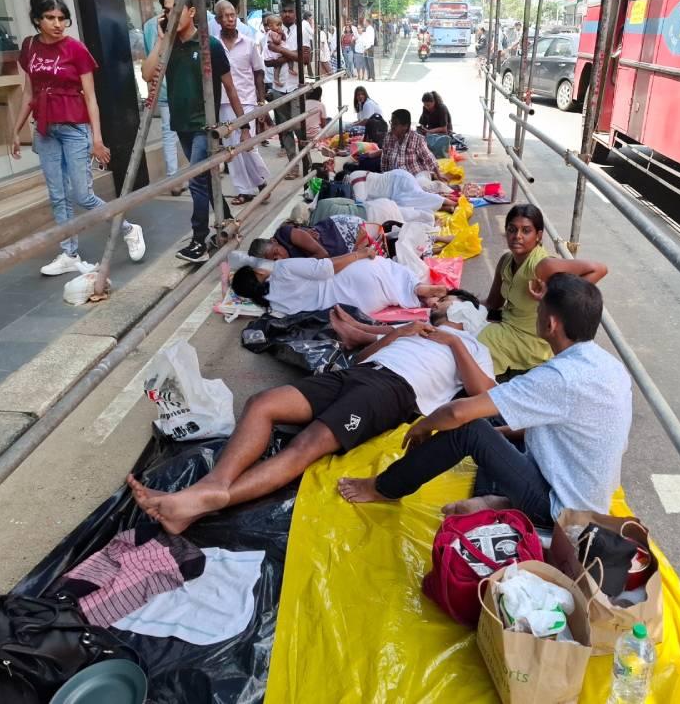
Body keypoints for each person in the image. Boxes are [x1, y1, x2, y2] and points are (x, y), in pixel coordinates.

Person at [127, 291, 495, 535]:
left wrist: (453, 342)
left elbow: (487, 395)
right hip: (357, 375)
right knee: (262, 403)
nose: (438, 302)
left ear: (465, 310)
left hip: (395, 391)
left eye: (447, 300)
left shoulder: (474, 347)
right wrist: (396, 335)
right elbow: (362, 358)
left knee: (308, 442)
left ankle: (207, 501)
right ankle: (210, 490)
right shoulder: (413, 328)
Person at [338, 274, 632, 528]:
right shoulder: (607, 365)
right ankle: (499, 503)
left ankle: (385, 488)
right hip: (587, 499)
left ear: (551, 324)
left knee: (468, 427)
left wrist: (424, 426)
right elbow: (559, 432)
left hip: (561, 512)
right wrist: (494, 434)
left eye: (538, 310)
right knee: (493, 420)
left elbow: (457, 413)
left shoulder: (561, 377)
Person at [12, 0, 145, 275]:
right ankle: (69, 253)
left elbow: (90, 97)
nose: (58, 24)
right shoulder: (30, 47)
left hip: (74, 127)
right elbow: (29, 91)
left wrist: (97, 139)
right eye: (50, 18)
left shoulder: (75, 49)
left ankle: (129, 228)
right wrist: (16, 129)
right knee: (57, 194)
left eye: (62, 18)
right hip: (45, 127)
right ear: (37, 19)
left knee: (83, 195)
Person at [142, 0, 249, 263]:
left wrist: (243, 125)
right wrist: (160, 40)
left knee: (197, 180)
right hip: (182, 124)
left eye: (177, 9)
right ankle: (228, 224)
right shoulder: (169, 46)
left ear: (191, 11)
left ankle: (199, 239)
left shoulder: (209, 45)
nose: (172, 15)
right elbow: (147, 73)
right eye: (167, 11)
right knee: (208, 178)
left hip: (206, 126)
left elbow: (229, 87)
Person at [479, 204, 608, 376]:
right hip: (506, 326)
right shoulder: (506, 261)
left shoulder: (543, 266)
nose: (517, 236)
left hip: (530, 342)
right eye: (512, 229)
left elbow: (598, 269)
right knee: (456, 322)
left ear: (538, 236)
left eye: (526, 231)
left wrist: (554, 299)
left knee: (471, 349)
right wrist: (459, 300)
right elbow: (493, 303)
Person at [230, 248, 446, 316]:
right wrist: (359, 253)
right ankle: (417, 288)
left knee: (388, 286)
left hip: (359, 307)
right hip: (355, 280)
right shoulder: (282, 269)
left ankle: (422, 300)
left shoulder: (275, 306)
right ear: (257, 273)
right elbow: (325, 268)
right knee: (387, 266)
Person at [214, 0, 270, 208]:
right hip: (223, 102)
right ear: (218, 19)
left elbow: (259, 72)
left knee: (247, 144)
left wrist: (261, 100)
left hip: (246, 100)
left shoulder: (249, 43)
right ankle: (244, 190)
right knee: (232, 149)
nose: (230, 19)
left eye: (232, 15)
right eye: (225, 16)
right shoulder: (213, 44)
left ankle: (263, 182)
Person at [261, 0, 311, 178]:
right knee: (284, 128)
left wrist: (279, 51)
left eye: (290, 11)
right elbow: (266, 61)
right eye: (284, 11)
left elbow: (305, 59)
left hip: (296, 85)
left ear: (297, 12)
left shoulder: (303, 28)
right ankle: (293, 164)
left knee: (298, 126)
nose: (287, 14)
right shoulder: (272, 31)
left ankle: (307, 160)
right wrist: (289, 56)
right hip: (278, 86)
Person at [142, 0, 183, 196]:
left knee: (170, 133)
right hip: (171, 88)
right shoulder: (159, 27)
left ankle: (173, 178)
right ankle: (176, 179)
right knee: (175, 132)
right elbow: (149, 60)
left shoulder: (149, 25)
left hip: (165, 87)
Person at [249, 213, 363, 260]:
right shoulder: (284, 261)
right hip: (340, 245)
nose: (279, 258)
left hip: (343, 231)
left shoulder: (284, 234)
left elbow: (323, 254)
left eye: (276, 252)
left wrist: (298, 269)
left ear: (274, 241)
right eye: (274, 259)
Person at [381, 109, 441, 177]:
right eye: (391, 122)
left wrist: (439, 174)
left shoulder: (417, 139)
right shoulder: (388, 137)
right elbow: (384, 160)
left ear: (405, 126)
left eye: (395, 123)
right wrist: (384, 176)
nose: (392, 126)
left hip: (415, 174)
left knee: (422, 184)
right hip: (396, 177)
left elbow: (429, 158)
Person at [417, 91, 452, 159]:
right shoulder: (425, 108)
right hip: (430, 131)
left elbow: (444, 128)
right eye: (425, 105)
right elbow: (422, 123)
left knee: (435, 142)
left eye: (428, 105)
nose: (427, 107)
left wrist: (429, 131)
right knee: (417, 134)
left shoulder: (442, 108)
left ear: (434, 102)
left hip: (443, 132)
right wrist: (422, 129)